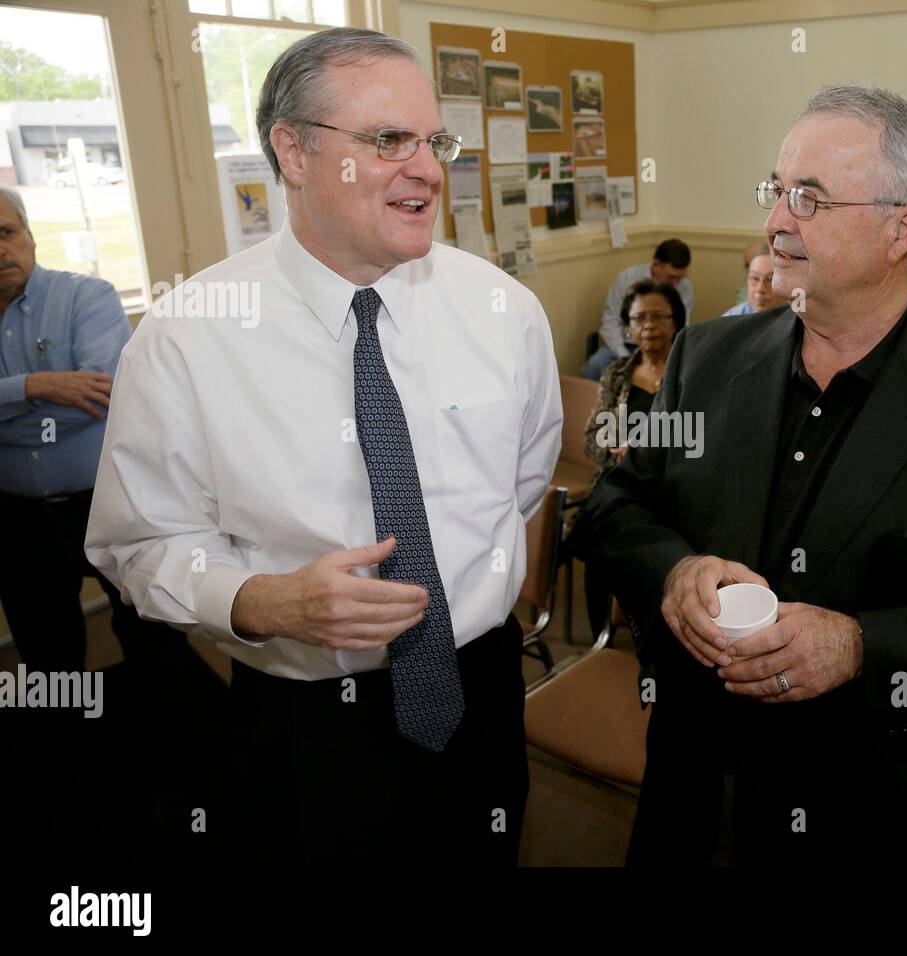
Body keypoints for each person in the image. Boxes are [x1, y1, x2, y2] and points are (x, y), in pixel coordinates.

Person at [576, 84, 907, 866]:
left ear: (902, 230)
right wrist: (675, 570)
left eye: (810, 198)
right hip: (695, 795)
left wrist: (864, 647)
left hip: (879, 817)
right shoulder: (708, 358)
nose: (776, 221)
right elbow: (617, 508)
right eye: (776, 190)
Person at [84, 28, 562, 863]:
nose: (426, 167)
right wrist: (261, 602)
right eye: (388, 140)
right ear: (293, 151)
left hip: (480, 690)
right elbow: (139, 545)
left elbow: (521, 487)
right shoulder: (187, 337)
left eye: (432, 141)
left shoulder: (505, 312)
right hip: (303, 718)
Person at [0, 184, 178, 674]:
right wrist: (34, 385)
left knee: (149, 632)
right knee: (45, 648)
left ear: (31, 238)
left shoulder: (86, 297)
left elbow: (101, 399)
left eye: (6, 233)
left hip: (104, 502)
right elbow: (66, 404)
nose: (0, 249)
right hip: (15, 519)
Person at [577, 279, 685, 638]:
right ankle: (601, 636)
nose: (649, 326)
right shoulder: (618, 373)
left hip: (674, 490)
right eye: (639, 319)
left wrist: (652, 447)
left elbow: (703, 438)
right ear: (628, 327)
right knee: (598, 538)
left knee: (658, 549)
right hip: (622, 483)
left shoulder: (690, 371)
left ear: (676, 321)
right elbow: (592, 439)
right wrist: (617, 445)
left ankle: (654, 634)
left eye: (658, 316)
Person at [581, 239, 693, 380]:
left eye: (680, 277)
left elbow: (681, 326)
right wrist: (625, 357)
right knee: (594, 366)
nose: (676, 283)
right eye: (671, 277)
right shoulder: (627, 279)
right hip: (625, 344)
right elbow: (611, 322)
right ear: (656, 265)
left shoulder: (685, 287)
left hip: (662, 345)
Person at [722, 246, 786, 316]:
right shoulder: (733, 316)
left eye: (770, 279)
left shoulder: (797, 318)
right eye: (755, 278)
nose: (760, 289)